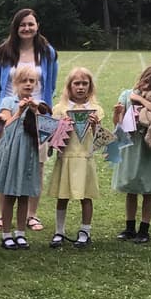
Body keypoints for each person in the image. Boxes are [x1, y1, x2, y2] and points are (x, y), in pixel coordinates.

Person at [0, 9, 58, 233]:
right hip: (11, 113)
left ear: (37, 25)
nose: (26, 28)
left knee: (36, 165)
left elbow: (51, 86)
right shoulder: (4, 52)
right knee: (6, 163)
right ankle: (2, 216)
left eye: (30, 24)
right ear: (15, 27)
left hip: (38, 115)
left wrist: (40, 108)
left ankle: (31, 215)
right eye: (22, 25)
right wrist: (8, 106)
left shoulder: (47, 53)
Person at [111, 63, 151, 244]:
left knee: (148, 188)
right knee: (131, 187)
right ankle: (129, 227)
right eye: (146, 80)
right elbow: (118, 123)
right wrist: (117, 114)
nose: (146, 86)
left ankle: (144, 229)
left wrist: (140, 100)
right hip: (131, 143)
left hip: (150, 145)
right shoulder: (126, 94)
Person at [47, 68, 104, 248]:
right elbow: (53, 141)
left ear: (90, 86)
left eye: (84, 83)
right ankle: (59, 231)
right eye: (76, 84)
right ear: (69, 86)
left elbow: (100, 139)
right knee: (62, 196)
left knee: (86, 196)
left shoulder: (96, 110)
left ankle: (85, 231)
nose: (80, 87)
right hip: (66, 158)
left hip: (85, 158)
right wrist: (63, 127)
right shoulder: (60, 109)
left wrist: (95, 126)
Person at [0, 66, 42, 251]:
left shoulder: (39, 104)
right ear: (15, 83)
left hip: (28, 154)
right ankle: (6, 233)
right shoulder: (8, 102)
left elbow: (45, 131)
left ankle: (20, 233)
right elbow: (2, 126)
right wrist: (19, 112)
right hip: (11, 152)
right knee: (9, 195)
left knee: (24, 196)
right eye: (24, 81)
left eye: (32, 81)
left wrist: (36, 112)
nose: (28, 84)